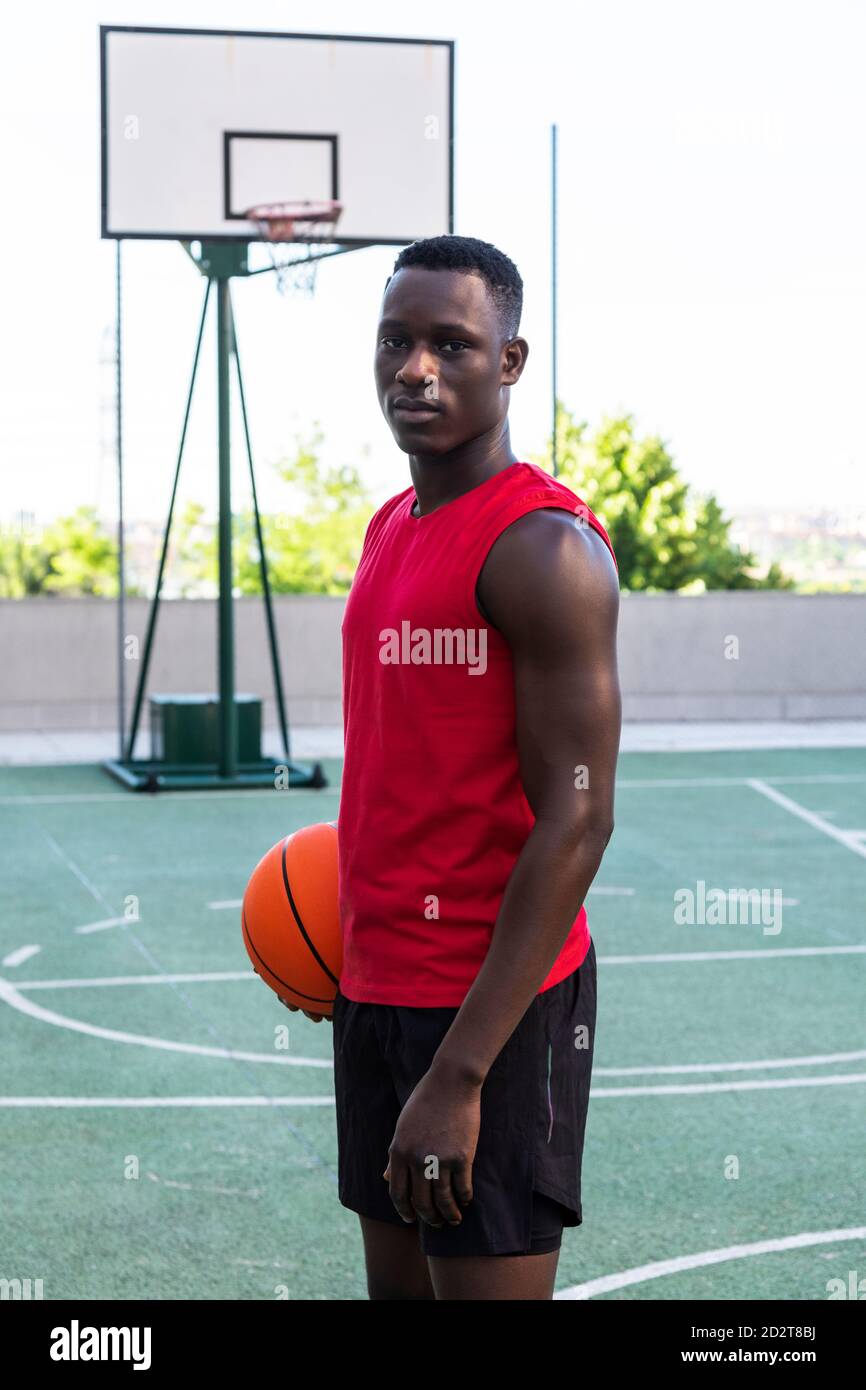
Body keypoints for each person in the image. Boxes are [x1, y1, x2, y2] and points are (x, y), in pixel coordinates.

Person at [286, 235, 621, 1300]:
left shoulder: (543, 549)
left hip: (493, 1008)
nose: (413, 369)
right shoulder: (391, 526)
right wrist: (347, 947)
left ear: (509, 361)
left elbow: (577, 819)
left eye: (450, 344)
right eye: (395, 340)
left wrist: (462, 1070)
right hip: (376, 988)